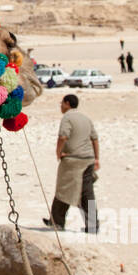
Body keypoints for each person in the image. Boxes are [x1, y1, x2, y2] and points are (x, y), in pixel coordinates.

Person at [45, 94, 99, 232]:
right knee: (87, 193)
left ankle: (57, 221)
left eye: (61, 103)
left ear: (67, 103)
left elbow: (63, 136)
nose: (61, 106)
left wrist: (58, 152)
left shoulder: (67, 118)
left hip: (73, 159)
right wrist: (97, 158)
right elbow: (95, 139)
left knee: (63, 190)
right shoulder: (85, 118)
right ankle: (92, 225)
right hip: (88, 159)